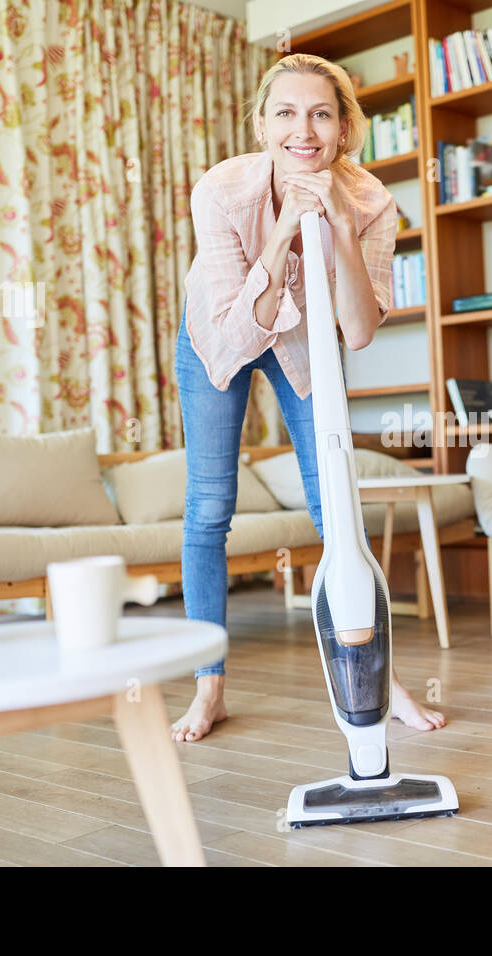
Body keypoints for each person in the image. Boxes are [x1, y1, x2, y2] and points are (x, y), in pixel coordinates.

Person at [170, 53, 446, 743]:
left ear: (346, 128)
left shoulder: (375, 202)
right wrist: (287, 229)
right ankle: (210, 688)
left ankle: (380, 679)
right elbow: (238, 323)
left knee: (337, 507)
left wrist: (342, 230)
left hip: (307, 343)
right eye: (286, 112)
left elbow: (356, 332)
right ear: (262, 124)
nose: (304, 129)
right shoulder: (221, 190)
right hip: (219, 333)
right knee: (209, 507)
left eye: (322, 113)